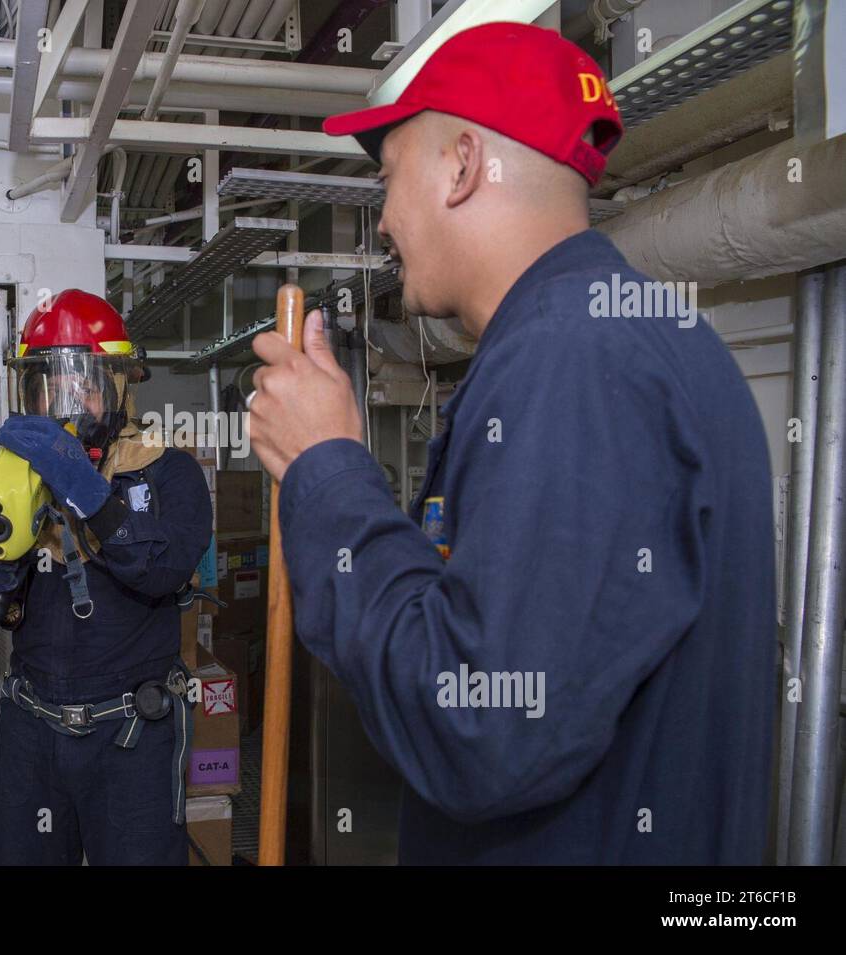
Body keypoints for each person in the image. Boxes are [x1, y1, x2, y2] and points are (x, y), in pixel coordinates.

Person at [246, 22, 774, 864]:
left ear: (461, 165)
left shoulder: (573, 357)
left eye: (388, 180)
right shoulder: (646, 337)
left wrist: (328, 469)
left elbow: (482, 725)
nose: (382, 220)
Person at [0, 289, 213, 865]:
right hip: (32, 734)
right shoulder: (17, 482)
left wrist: (87, 490)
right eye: (49, 386)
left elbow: (160, 572)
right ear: (29, 393)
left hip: (131, 738)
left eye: (87, 384)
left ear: (121, 387)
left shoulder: (170, 472)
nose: (71, 402)